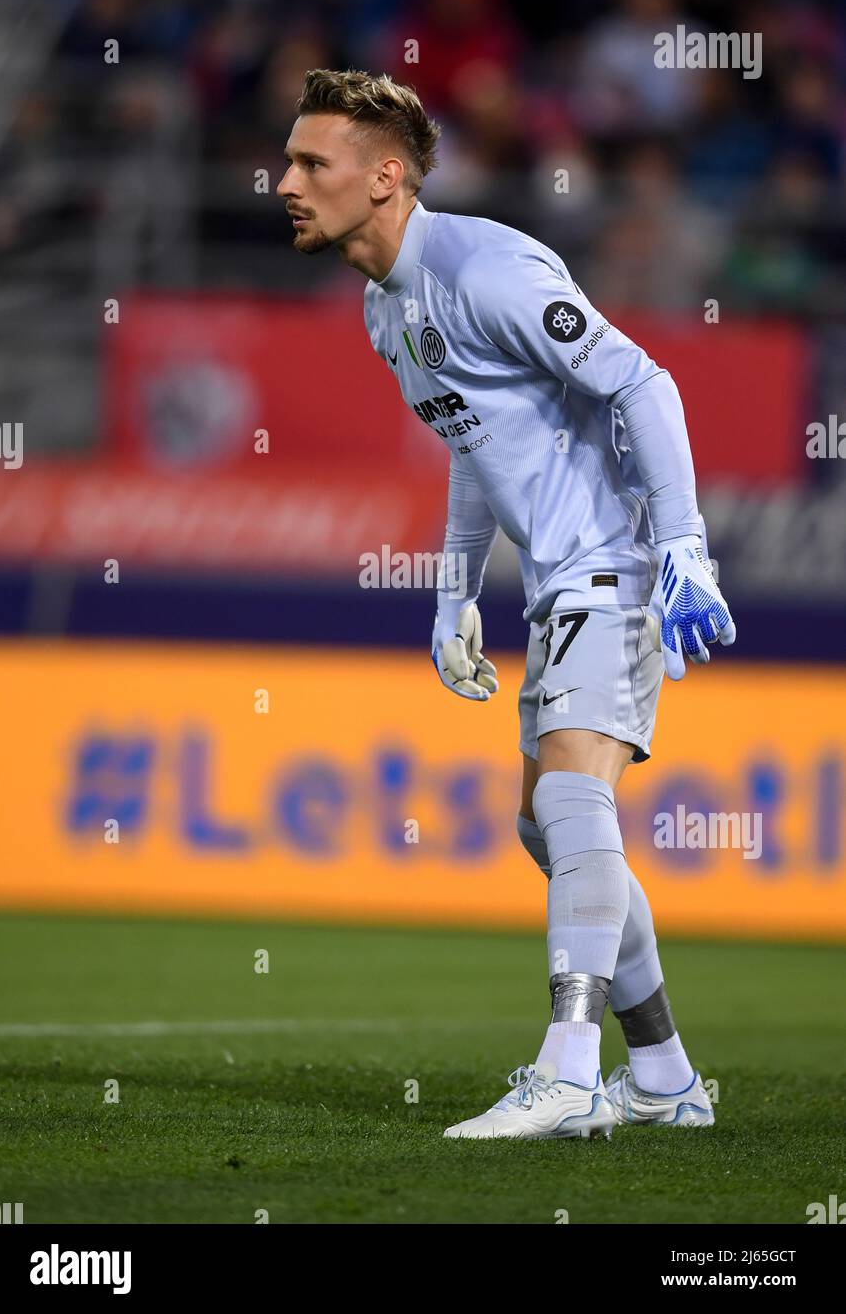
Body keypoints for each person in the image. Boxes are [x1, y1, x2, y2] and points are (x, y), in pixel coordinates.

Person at [277, 68, 735, 1139]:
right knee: (543, 823)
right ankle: (663, 1074)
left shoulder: (487, 268)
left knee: (574, 804)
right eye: (289, 159)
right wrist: (450, 591)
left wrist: (682, 547)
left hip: (610, 561)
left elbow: (641, 382)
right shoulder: (382, 310)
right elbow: (471, 445)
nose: (285, 181)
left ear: (384, 177)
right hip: (550, 582)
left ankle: (568, 1065)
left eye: (311, 162)